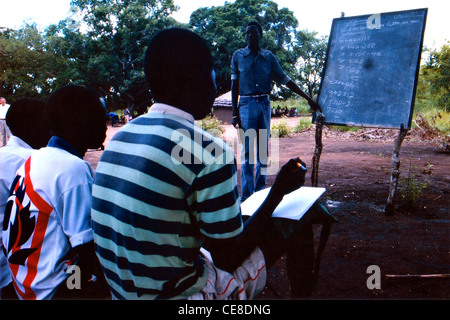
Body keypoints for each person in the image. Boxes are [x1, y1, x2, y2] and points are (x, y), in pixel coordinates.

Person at [91, 27, 317, 300]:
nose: (215, 83)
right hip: (185, 298)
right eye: (212, 73)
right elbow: (227, 257)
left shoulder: (121, 138)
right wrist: (277, 193)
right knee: (298, 225)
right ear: (195, 80)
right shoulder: (209, 152)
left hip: (125, 293)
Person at [2, 86, 110, 300]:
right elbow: (88, 249)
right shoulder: (72, 169)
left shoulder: (36, 159)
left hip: (25, 284)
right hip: (55, 290)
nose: (105, 126)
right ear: (79, 124)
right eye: (99, 117)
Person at [231, 21, 321, 201]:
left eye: (254, 33)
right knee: (247, 152)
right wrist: (235, 113)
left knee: (263, 152)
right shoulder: (238, 56)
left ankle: (259, 194)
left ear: (260, 35)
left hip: (264, 104)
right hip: (246, 105)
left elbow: (286, 80)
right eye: (247, 33)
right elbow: (234, 85)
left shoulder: (269, 57)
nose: (250, 36)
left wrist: (308, 98)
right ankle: (246, 197)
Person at [0, 98, 51, 300]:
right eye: (48, 124)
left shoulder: (4, 154)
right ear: (34, 126)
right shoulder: (31, 162)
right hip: (11, 269)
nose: (51, 131)